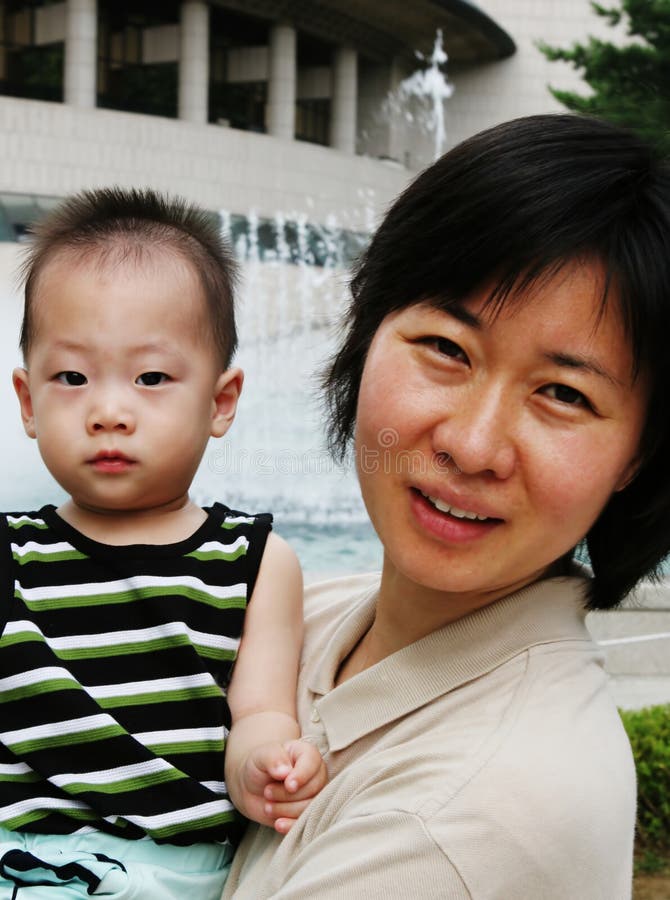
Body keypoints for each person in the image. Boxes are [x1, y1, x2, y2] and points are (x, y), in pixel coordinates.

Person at [223, 114, 670, 899]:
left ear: (639, 452)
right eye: (446, 349)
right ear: (368, 329)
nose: (471, 445)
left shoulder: (468, 819)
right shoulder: (305, 619)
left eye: (564, 394)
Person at [0, 188, 327, 899]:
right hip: (20, 862)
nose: (109, 411)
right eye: (72, 377)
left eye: (151, 378)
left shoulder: (253, 562)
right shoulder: (12, 554)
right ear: (28, 402)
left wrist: (262, 766)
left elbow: (260, 711)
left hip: (172, 874)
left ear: (220, 401)